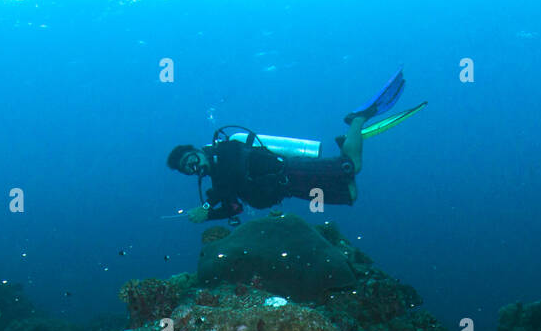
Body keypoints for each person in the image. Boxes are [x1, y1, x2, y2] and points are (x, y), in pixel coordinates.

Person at [167, 70, 421, 223]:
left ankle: (357, 119)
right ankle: (345, 143)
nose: (192, 167)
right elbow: (235, 207)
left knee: (352, 166)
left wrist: (207, 206)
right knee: (350, 195)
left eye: (190, 159)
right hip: (290, 188)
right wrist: (209, 214)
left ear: (197, 150)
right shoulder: (217, 180)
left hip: (292, 170)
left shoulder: (224, 150)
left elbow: (231, 176)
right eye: (187, 169)